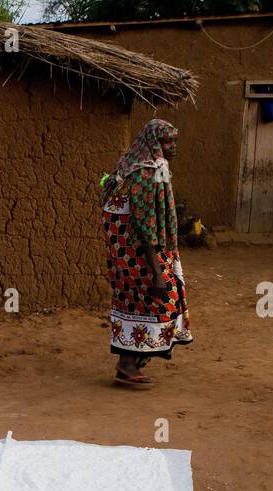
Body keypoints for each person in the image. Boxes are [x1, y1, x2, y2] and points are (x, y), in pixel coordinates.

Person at [99, 118, 192, 387]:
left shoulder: (134, 165)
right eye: (166, 141)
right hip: (139, 253)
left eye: (174, 141)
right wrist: (156, 272)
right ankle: (127, 364)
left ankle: (131, 362)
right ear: (153, 143)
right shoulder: (145, 173)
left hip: (125, 254)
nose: (173, 147)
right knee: (162, 297)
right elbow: (143, 222)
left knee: (133, 300)